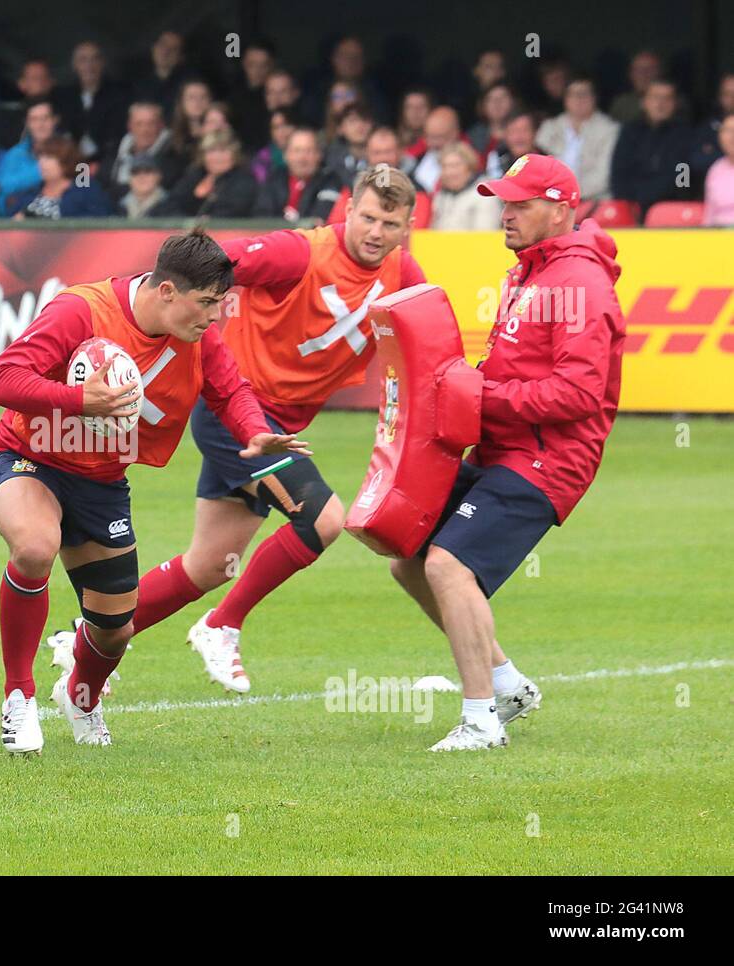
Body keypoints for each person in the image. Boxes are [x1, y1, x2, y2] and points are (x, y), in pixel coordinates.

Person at [0, 228, 306, 753]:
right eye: (205, 303)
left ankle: (81, 697)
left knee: (114, 627)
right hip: (26, 456)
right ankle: (18, 697)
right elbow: (1, 380)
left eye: (220, 305)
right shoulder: (79, 311)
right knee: (35, 546)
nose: (213, 316)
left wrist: (254, 433)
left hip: (101, 479)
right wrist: (77, 398)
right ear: (165, 291)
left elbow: (231, 392)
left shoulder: (199, 338)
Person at [118, 166, 426, 693]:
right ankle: (222, 625)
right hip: (237, 414)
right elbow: (208, 264)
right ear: (347, 210)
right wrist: (186, 319)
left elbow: (427, 343)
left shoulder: (405, 275)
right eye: (368, 217)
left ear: (408, 225)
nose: (376, 232)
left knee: (211, 563)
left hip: (281, 426)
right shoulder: (298, 251)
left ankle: (90, 636)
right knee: (324, 519)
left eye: (390, 223)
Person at [390, 153, 624, 751]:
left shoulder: (579, 281)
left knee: (447, 565)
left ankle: (481, 720)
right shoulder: (531, 270)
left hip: (548, 460)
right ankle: (504, 683)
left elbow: (576, 394)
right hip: (506, 450)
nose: (506, 213)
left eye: (520, 203)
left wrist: (478, 397)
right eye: (503, 201)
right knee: (409, 553)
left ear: (561, 208)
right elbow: (516, 367)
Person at [610, 78, 695, 215]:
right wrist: (630, 201)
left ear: (675, 104)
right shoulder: (630, 132)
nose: (661, 103)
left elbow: (683, 177)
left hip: (671, 209)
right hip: (632, 207)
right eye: (655, 97)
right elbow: (619, 174)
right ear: (644, 102)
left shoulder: (685, 134)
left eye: (667, 98)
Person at [537, 76, 619, 201]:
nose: (579, 99)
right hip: (551, 199)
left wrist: (570, 194)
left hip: (595, 200)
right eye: (574, 94)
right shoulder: (549, 128)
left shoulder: (610, 130)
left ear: (594, 98)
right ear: (565, 99)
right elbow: (538, 167)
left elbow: (603, 176)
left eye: (585, 94)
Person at [155, 129, 257, 217]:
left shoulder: (244, 180)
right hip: (190, 235)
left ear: (234, 154)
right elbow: (170, 205)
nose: (217, 157)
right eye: (211, 151)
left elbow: (233, 212)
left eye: (223, 150)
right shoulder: (195, 175)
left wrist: (206, 223)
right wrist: (186, 222)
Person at [253, 126, 342, 222]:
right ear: (286, 155)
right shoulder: (274, 179)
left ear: (319, 155)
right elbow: (261, 217)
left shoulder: (330, 180)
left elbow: (320, 220)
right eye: (296, 151)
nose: (302, 158)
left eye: (308, 151)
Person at [430, 142, 501, 230]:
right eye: (444, 166)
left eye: (455, 166)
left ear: (469, 167)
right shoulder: (441, 196)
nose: (449, 172)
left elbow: (485, 234)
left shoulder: (485, 194)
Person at [702, 114, 734, 226]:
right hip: (717, 236)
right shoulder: (715, 169)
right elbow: (709, 213)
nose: (732, 136)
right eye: (728, 131)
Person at [118, 153, 166, 218]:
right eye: (135, 172)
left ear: (158, 176)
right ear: (129, 179)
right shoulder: (119, 208)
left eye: (147, 171)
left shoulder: (170, 207)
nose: (141, 176)